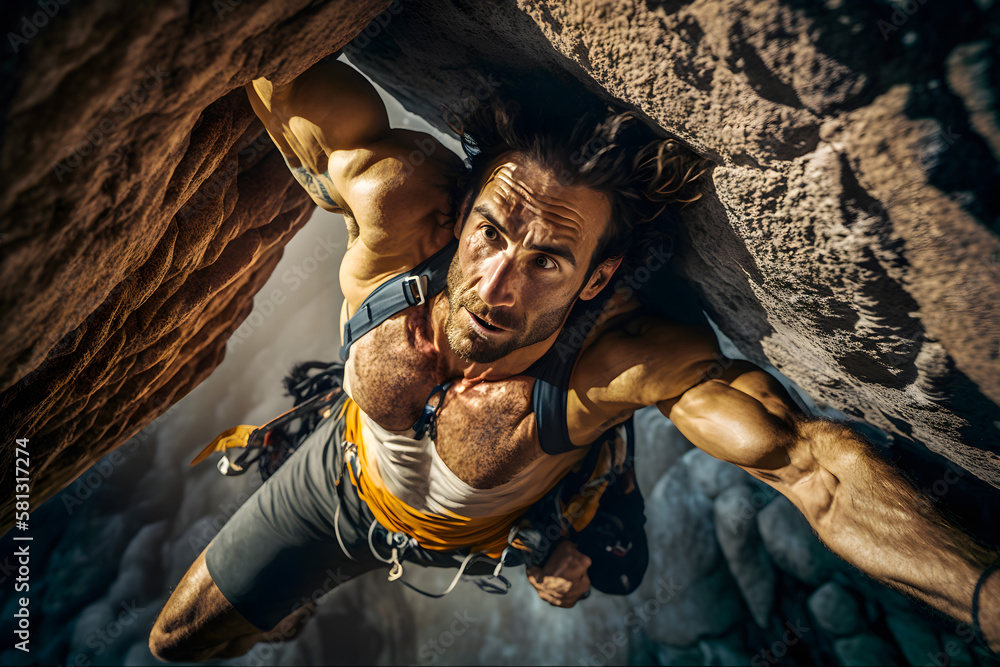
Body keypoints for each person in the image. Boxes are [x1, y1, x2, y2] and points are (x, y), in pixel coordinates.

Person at [148, 59, 999, 662]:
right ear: (462, 211)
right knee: (176, 641)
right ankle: (290, 608)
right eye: (491, 231)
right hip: (330, 476)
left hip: (470, 538)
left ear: (598, 276)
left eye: (549, 260)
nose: (495, 280)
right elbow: (274, 67)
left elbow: (813, 465)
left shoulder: (615, 366)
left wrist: (987, 595)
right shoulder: (398, 215)